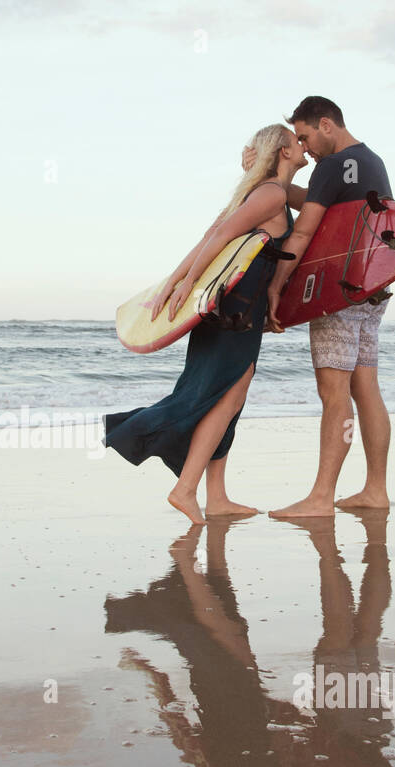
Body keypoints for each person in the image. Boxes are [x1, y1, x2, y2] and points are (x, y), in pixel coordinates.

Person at [102, 124, 308, 524]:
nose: (303, 146)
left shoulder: (264, 191)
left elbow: (211, 235)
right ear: (283, 151)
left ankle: (217, 496)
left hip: (233, 309)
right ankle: (185, 488)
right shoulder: (271, 194)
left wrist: (178, 281)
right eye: (296, 141)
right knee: (224, 396)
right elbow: (219, 237)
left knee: (226, 395)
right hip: (234, 310)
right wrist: (184, 283)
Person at [264, 96, 394, 517]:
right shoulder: (370, 161)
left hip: (338, 291)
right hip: (373, 286)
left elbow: (303, 233)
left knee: (333, 392)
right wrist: (281, 185)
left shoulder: (331, 166)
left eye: (305, 136)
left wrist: (277, 288)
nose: (306, 146)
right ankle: (375, 490)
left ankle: (321, 498)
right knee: (365, 389)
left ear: (326, 124)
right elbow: (322, 203)